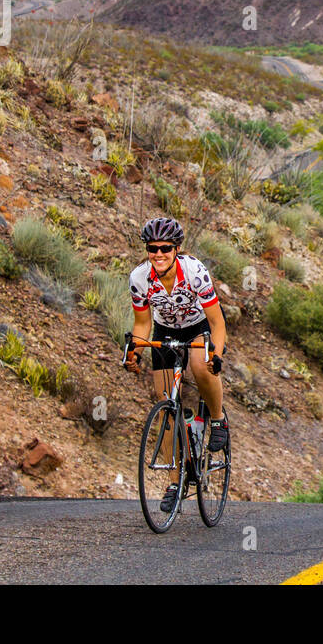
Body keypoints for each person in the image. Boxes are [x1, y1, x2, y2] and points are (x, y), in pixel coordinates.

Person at [127, 217, 228, 512]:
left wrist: (216, 353)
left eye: (165, 248)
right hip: (165, 331)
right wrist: (134, 351)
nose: (158, 254)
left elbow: (217, 321)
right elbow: (142, 323)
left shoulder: (195, 271)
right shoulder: (139, 278)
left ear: (177, 249)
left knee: (200, 365)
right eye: (152, 248)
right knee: (166, 409)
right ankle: (175, 482)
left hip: (198, 326)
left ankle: (218, 418)